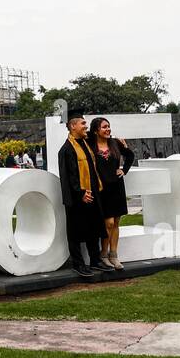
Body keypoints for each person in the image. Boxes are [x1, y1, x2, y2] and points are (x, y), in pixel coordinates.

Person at [57, 112, 109, 277]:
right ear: (73, 126)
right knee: (76, 231)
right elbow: (69, 176)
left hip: (92, 193)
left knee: (94, 227)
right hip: (77, 197)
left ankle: (95, 259)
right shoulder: (66, 149)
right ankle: (78, 263)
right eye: (82, 124)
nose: (86, 126)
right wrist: (80, 193)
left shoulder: (85, 144)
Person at [88, 117, 132, 270]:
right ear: (96, 130)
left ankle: (114, 255)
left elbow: (130, 156)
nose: (108, 129)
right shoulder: (90, 145)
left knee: (116, 223)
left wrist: (123, 170)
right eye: (104, 127)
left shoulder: (116, 143)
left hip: (117, 188)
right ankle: (103, 254)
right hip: (102, 190)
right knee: (108, 223)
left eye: (109, 126)